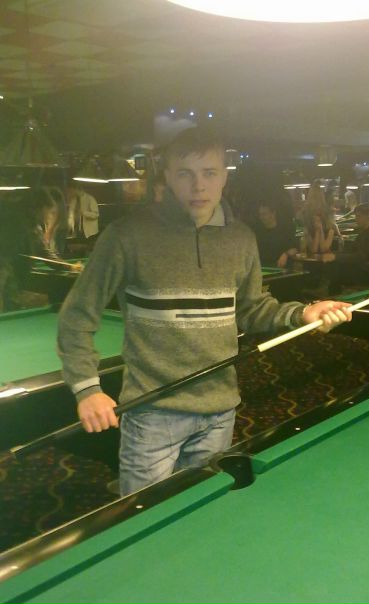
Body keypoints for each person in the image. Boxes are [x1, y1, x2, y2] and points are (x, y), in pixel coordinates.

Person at [57, 127, 351, 496]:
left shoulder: (240, 238)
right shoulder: (126, 236)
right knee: (143, 515)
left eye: (209, 173)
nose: (198, 186)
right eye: (186, 173)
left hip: (220, 410)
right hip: (152, 412)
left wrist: (302, 314)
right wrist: (87, 389)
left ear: (224, 176)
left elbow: (251, 309)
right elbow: (76, 317)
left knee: (202, 505)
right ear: (168, 176)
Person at [322, 203, 369, 294]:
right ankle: (333, 295)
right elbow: (351, 251)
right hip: (363, 267)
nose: (356, 219)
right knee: (334, 266)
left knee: (336, 269)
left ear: (368, 215)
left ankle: (333, 296)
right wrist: (333, 254)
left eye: (358, 216)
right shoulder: (365, 231)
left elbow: (361, 257)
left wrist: (335, 257)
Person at [254, 200, 298, 267]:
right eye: (260, 214)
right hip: (263, 269)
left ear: (273, 213)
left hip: (282, 269)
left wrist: (286, 254)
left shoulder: (285, 230)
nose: (261, 217)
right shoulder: (258, 232)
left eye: (264, 214)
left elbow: (296, 249)